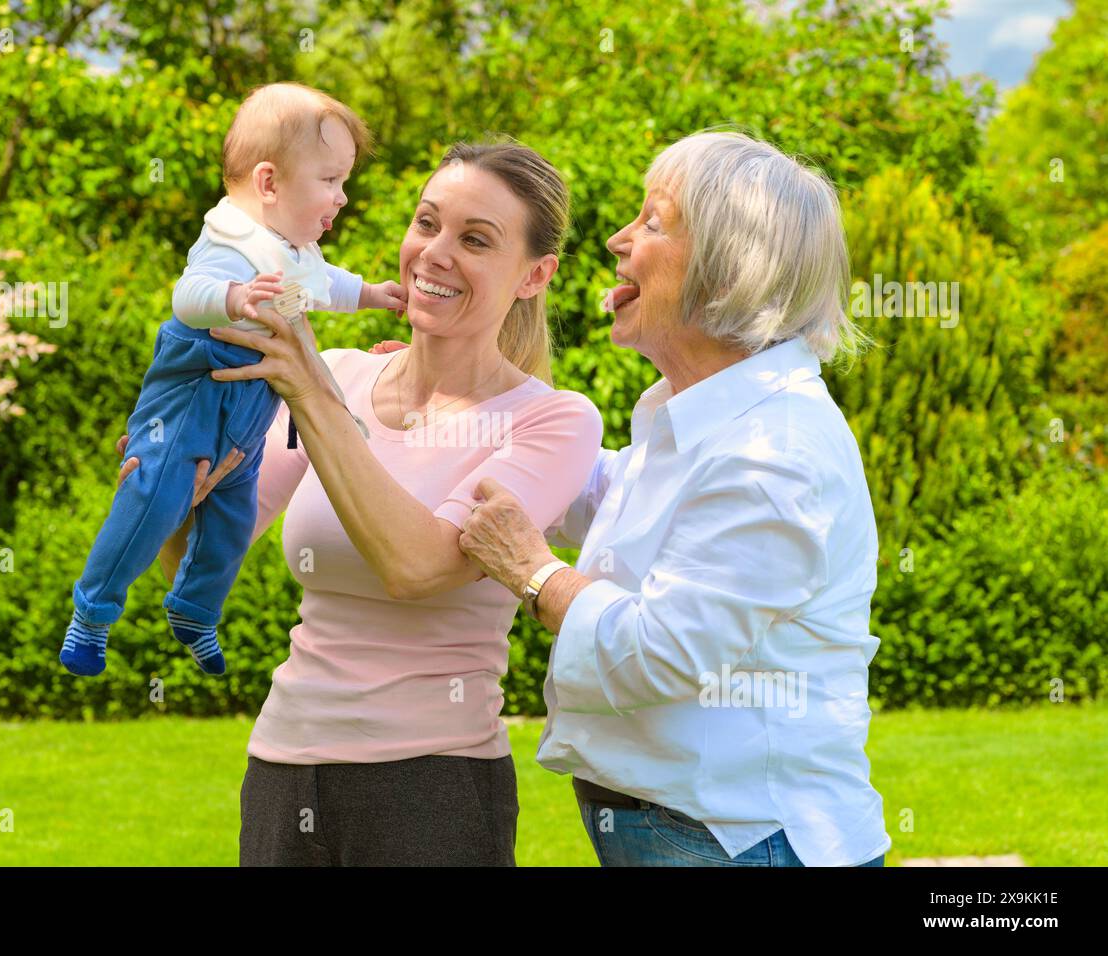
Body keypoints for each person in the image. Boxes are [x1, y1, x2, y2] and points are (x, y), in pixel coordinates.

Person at [118, 140, 603, 865]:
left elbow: (419, 565)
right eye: (427, 223)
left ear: (535, 274)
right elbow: (193, 562)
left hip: (433, 787)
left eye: (475, 240)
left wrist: (312, 392)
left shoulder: (553, 420)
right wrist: (163, 497)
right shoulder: (339, 375)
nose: (435, 253)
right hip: (283, 766)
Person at [453, 130, 892, 867]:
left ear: (729, 272)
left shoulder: (772, 452)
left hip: (741, 841)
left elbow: (662, 652)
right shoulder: (700, 417)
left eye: (654, 222)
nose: (619, 240)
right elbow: (603, 497)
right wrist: (462, 407)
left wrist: (533, 573)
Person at [62, 82, 404, 677]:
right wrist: (236, 297)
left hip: (246, 416)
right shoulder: (230, 244)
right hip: (194, 396)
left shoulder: (293, 250)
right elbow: (187, 298)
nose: (342, 198)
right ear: (269, 184)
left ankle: (195, 611)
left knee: (232, 521)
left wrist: (373, 295)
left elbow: (330, 286)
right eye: (330, 181)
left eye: (343, 181)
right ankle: (92, 613)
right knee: (151, 502)